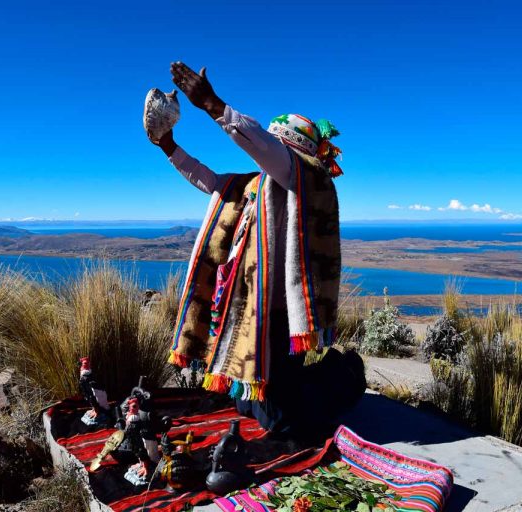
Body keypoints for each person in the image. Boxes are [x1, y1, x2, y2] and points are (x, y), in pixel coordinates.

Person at [148, 62, 365, 436]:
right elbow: (209, 179)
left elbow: (262, 146)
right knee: (246, 400)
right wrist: (167, 145)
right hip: (245, 303)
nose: (267, 151)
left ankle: (344, 376)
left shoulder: (305, 178)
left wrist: (215, 106)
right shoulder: (255, 186)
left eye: (277, 145)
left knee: (280, 421)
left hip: (278, 311)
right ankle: (313, 378)